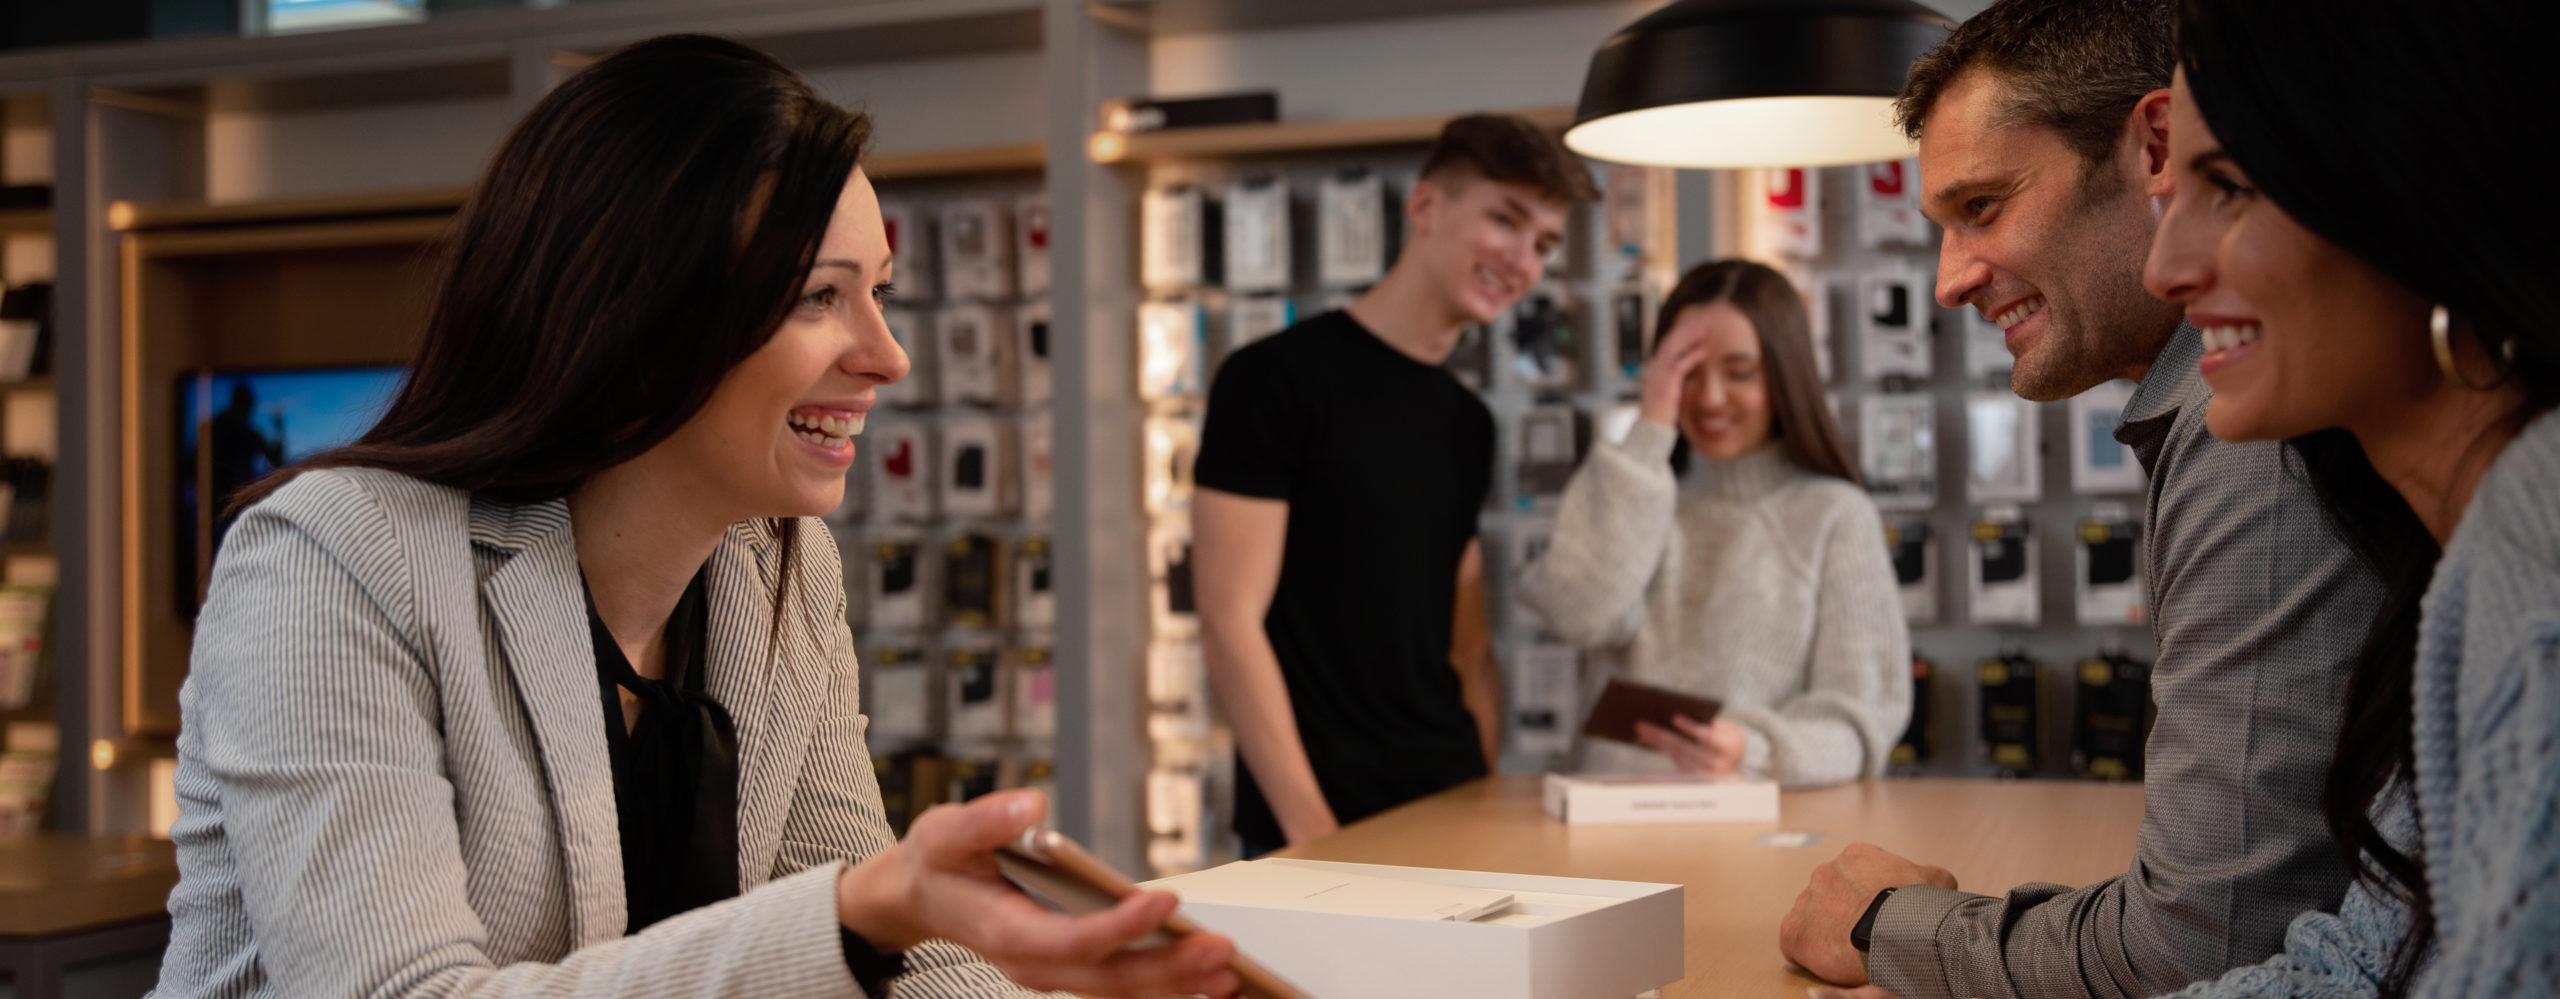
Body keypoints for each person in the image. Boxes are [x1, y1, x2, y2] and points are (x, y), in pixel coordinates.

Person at [151, 36, 1241, 999]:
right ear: (640, 313)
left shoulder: (779, 566)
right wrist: (862, 911)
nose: (886, 355)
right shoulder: (331, 562)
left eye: (882, 292)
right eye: (821, 297)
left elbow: (896, 961)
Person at [1776, 1, 2387, 995]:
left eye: (1983, 206)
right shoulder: (2220, 409)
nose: (1948, 282)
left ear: (2152, 152)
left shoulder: (2245, 428)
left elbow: (2199, 947)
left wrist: (1888, 925)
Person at [2138, 0, 2557, 993]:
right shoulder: (2473, 545)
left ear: (2427, 192)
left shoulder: (2534, 558)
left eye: (2230, 187)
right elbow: (2363, 965)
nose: (2163, 269)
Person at [1191, 114, 1597, 855]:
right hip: (1317, 816)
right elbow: (1227, 623)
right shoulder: (1272, 379)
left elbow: (1466, 642)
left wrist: (1482, 782)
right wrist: (1310, 827)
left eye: (1542, 244)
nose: (1522, 260)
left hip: (1448, 800)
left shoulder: (1467, 420)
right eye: (1504, 220)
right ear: (1425, 209)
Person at [1517, 260, 1908, 784]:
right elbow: (1577, 611)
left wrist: (1752, 748)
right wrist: (1651, 425)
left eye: (1740, 372)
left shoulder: (1833, 515)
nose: (1710, 398)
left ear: (1784, 374)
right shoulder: (1632, 489)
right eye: (1687, 371)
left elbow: (1862, 726)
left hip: (1760, 834)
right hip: (1608, 823)